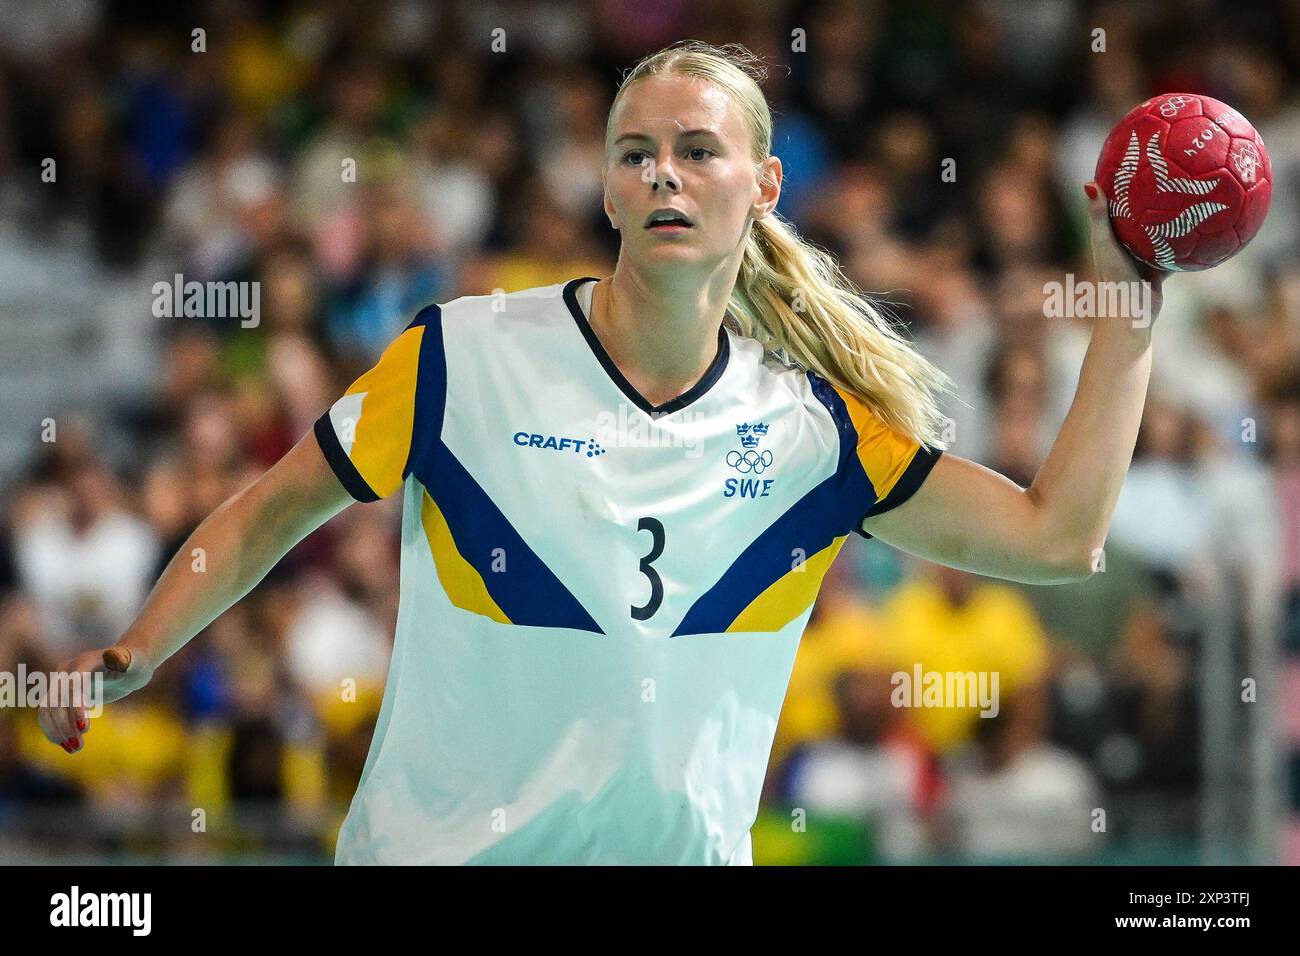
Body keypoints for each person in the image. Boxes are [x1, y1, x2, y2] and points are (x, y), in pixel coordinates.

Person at [37, 40, 1163, 864]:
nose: (662, 172)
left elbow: (1057, 536)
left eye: (694, 149)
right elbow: (268, 512)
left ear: (764, 186)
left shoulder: (818, 431)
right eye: (635, 153)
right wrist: (131, 650)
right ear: (609, 191)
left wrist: (1129, 308)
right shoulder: (463, 358)